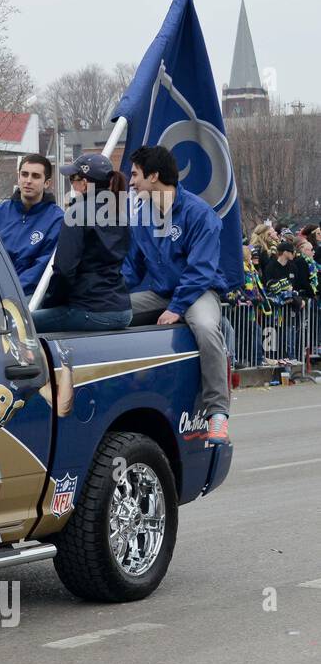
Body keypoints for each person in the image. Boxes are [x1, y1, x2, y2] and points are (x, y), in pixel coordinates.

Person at [124, 144, 230, 444]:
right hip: (161, 293)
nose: (131, 182)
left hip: (198, 292)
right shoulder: (142, 215)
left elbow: (200, 270)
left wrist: (177, 308)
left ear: (154, 176)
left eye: (135, 175)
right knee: (112, 313)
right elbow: (132, 268)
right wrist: (107, 295)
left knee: (207, 328)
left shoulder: (199, 214)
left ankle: (218, 413)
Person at [32, 153, 132, 333]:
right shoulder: (121, 213)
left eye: (73, 179)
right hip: (123, 310)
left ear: (84, 183)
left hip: (90, 310)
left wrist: (51, 303)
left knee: (20, 325)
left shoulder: (76, 213)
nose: (72, 184)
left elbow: (64, 270)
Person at [0, 153, 62, 297]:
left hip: (27, 297)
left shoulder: (56, 220)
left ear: (47, 183)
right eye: (24, 174)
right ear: (18, 177)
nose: (28, 180)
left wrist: (10, 292)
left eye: (35, 176)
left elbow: (42, 267)